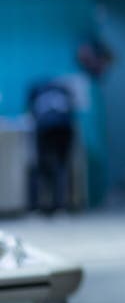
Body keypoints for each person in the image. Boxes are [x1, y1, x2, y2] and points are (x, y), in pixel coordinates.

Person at [28, 80, 75, 214]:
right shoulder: (63, 89)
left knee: (42, 167)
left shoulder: (37, 90)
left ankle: (37, 207)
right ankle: (60, 207)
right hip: (64, 128)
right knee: (61, 166)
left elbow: (32, 112)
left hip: (46, 128)